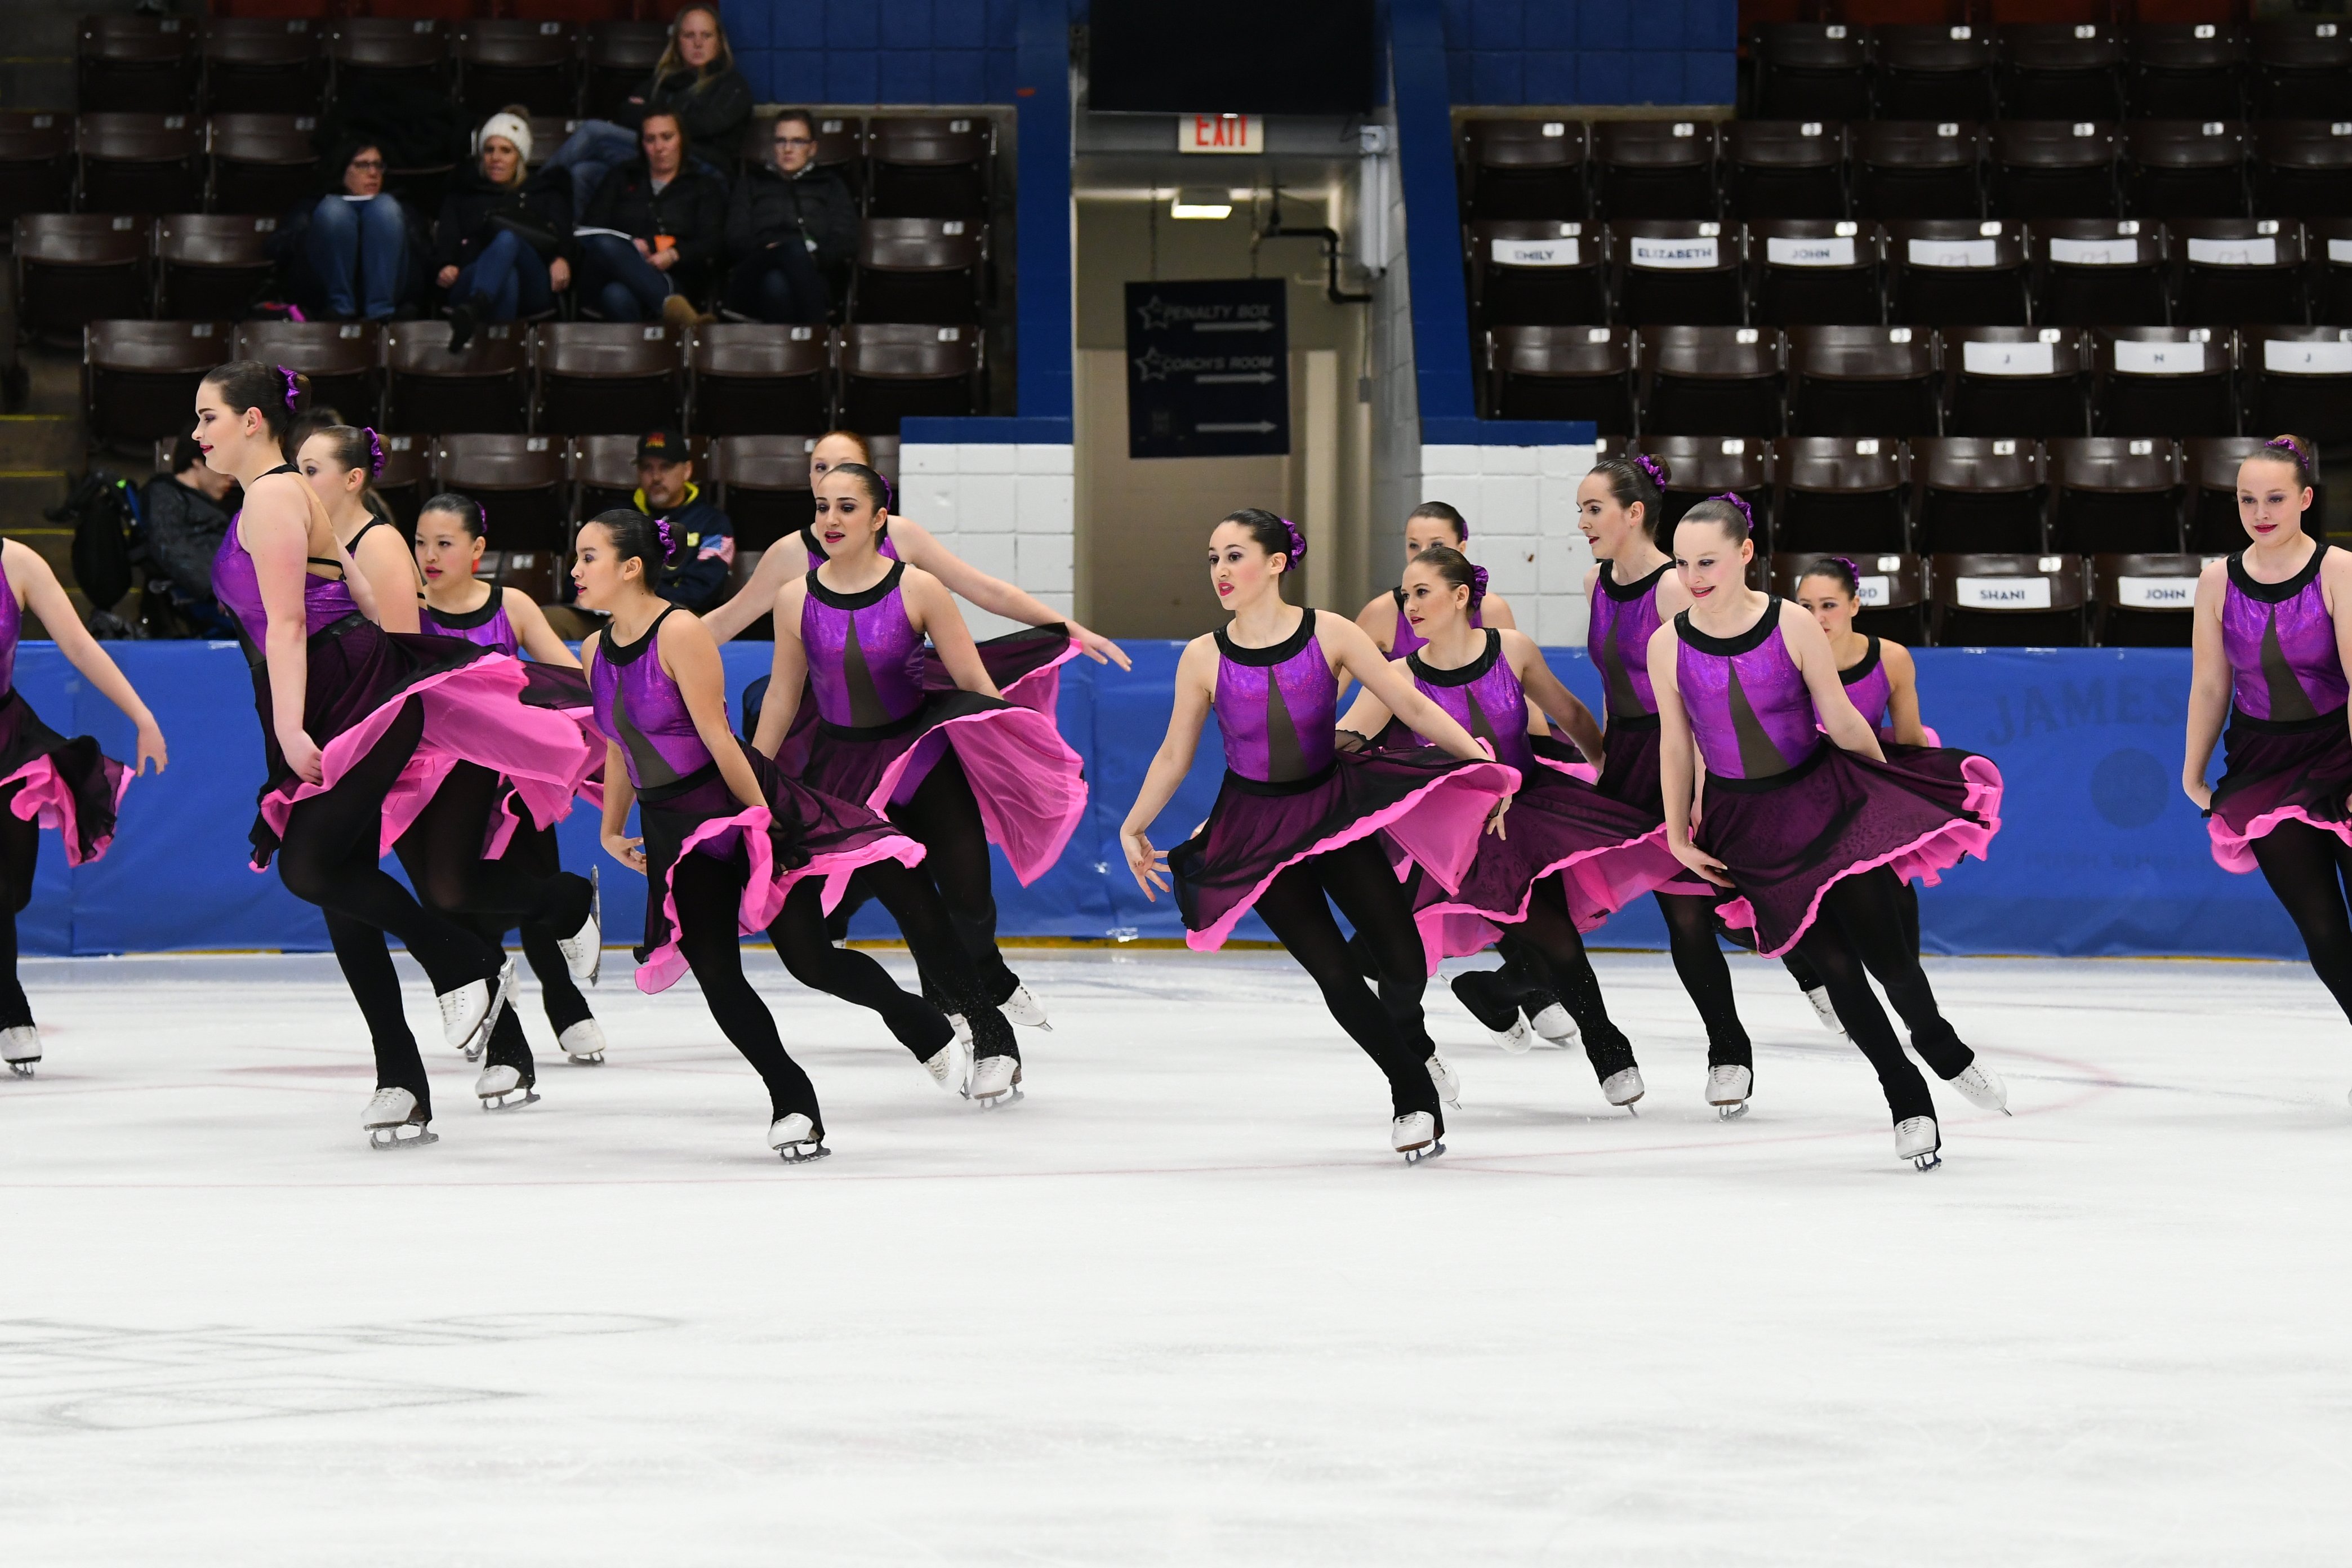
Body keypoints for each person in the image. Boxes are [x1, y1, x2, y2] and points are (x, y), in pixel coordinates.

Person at [197, 362, 596, 1150]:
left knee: (379, 883)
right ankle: (404, 1076)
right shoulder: (291, 504)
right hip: (326, 699)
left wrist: (298, 726)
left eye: (209, 416)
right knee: (340, 894)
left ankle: (481, 978)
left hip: (352, 705)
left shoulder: (291, 502)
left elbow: (333, 627)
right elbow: (352, 607)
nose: (198, 433)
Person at [577, 508, 1013, 1159]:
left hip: (737, 807)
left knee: (811, 961)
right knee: (717, 975)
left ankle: (915, 1020)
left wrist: (761, 818)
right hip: (672, 826)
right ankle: (792, 1100)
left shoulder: (680, 633)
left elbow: (722, 739)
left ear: (631, 567)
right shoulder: (594, 650)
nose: (576, 570)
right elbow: (618, 747)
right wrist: (612, 831)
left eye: (588, 557)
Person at [1118, 510, 1518, 1162]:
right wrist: (1135, 825)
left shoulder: (1328, 632)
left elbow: (1411, 703)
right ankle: (1411, 1093)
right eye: (1213, 558)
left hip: (1332, 811)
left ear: (1277, 563)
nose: (1220, 570)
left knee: (1401, 956)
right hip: (1258, 831)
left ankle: (1410, 1048)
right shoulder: (1203, 656)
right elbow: (1173, 755)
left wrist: (1479, 761)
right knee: (1335, 974)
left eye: (1235, 555)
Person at [1651, 495, 2009, 1170]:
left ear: (1745, 555)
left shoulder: (1791, 622)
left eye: (1708, 561)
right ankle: (1905, 1097)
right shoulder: (1666, 643)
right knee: (1836, 970)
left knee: (1889, 957)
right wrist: (1676, 833)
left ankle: (1938, 1041)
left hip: (1825, 802)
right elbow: (1678, 744)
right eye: (1683, 563)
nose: (1695, 576)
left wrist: (1888, 795)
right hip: (1746, 826)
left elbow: (1841, 718)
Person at [749, 464, 1088, 1098]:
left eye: (848, 508)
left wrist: (1021, 747)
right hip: (851, 783)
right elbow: (781, 695)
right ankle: (992, 1042)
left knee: (969, 906)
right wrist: (755, 783)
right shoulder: (796, 597)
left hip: (925, 765)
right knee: (920, 917)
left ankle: (989, 995)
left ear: (880, 519)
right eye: (823, 507)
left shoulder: (920, 588)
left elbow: (973, 686)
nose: (830, 520)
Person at [1335, 546, 1684, 1110]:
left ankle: (1526, 1007)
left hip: (1536, 812)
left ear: (1460, 596)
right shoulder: (1399, 677)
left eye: (1422, 592)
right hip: (1471, 839)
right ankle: (1604, 1043)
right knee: (1549, 936)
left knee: (1554, 937)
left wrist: (1603, 774)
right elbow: (1348, 736)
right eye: (1405, 595)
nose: (1410, 605)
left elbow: (1570, 714)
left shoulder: (1512, 650)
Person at [1577, 454, 1758, 1108]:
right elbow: (1606, 684)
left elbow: (1699, 695)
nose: (1583, 522)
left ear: (1633, 513)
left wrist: (1703, 794)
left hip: (1676, 753)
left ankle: (1730, 1051)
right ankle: (1527, 997)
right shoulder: (1599, 582)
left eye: (1593, 509)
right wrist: (1602, 760)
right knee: (1569, 895)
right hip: (1624, 754)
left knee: (1687, 913)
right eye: (1581, 509)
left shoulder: (1673, 589)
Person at [2185, 435, 2352, 1106]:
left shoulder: (2340, 569)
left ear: (2306, 500)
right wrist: (2193, 773)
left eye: (2276, 498)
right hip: (2262, 765)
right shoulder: (2217, 578)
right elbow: (2209, 684)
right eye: (2248, 499)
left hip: (2340, 751)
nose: (2261, 511)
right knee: (2322, 928)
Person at [417, 493, 609, 1070]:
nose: (429, 554)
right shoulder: (405, 607)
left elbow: (569, 682)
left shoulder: (512, 605)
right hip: (433, 786)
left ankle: (565, 1001)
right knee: (451, 903)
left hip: (510, 781)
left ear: (477, 549)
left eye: (444, 543)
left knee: (534, 889)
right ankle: (503, 1031)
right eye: (421, 542)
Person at [706, 429, 1131, 676]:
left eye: (844, 467)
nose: (830, 477)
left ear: (870, 478)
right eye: (820, 467)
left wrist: (1073, 628)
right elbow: (727, 621)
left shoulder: (902, 535)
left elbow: (986, 591)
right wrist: (648, 653)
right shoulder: (789, 553)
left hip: (905, 700)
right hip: (823, 715)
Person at [0, 538, 166, 1077]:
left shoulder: (16, 563)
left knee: (10, 890)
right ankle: (11, 1009)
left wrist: (142, 717)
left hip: (5, 739)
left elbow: (78, 644)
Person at [1778, 555, 1934, 1033]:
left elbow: (1909, 744)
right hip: (1794, 797)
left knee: (1897, 902)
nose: (1817, 617)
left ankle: (1915, 1007)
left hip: (1865, 794)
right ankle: (1814, 979)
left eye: (1828, 605)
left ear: (1855, 606)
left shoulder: (1891, 659)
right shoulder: (1779, 656)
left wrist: (1930, 811)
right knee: (1772, 906)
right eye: (1805, 606)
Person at [544, 5, 750, 216]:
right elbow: (626, 112)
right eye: (689, 35)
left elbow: (706, 125)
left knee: (592, 132)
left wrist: (651, 114)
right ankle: (587, 242)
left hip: (703, 170)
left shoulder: (732, 85)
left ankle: (531, 194)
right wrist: (672, 120)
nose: (698, 43)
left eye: (706, 36)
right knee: (584, 173)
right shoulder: (663, 81)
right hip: (653, 160)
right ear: (678, 41)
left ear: (719, 41)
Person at [431, 110, 574, 351]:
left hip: (534, 282)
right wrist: (446, 264)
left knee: (508, 239)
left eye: (505, 151)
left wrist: (563, 258)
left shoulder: (544, 192)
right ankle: (502, 360)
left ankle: (475, 310)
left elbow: (566, 235)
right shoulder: (464, 194)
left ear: (520, 157)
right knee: (507, 277)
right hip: (471, 275)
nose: (495, 158)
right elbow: (447, 238)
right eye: (489, 150)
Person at [575, 110, 727, 330]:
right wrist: (630, 246)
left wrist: (675, 254)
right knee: (606, 245)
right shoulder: (622, 176)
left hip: (677, 276)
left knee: (615, 296)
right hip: (618, 270)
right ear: (642, 144)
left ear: (682, 140)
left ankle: (646, 359)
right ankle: (684, 320)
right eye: (650, 139)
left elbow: (714, 241)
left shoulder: (702, 185)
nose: (659, 147)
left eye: (667, 137)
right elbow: (592, 230)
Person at [723, 110, 857, 325]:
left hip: (812, 274)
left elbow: (846, 240)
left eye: (797, 142)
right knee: (793, 250)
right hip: (753, 273)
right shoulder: (751, 183)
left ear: (812, 148)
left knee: (777, 284)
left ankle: (789, 354)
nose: (787, 149)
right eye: (781, 141)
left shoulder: (829, 185)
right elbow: (735, 238)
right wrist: (770, 250)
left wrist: (815, 258)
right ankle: (818, 333)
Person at [298, 141, 421, 323]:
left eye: (378, 166)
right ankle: (340, 310)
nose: (373, 173)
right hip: (326, 301)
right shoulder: (316, 204)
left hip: (393, 299)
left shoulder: (399, 205)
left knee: (384, 209)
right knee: (334, 211)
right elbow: (281, 244)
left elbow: (421, 252)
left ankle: (381, 314)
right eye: (363, 165)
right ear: (343, 169)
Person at [139, 434, 240, 638]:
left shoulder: (201, 503)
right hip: (216, 600)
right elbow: (171, 548)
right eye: (225, 465)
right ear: (198, 461)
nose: (232, 476)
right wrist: (221, 591)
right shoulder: (163, 495)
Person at [627, 430, 733, 613]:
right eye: (647, 468)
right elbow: (579, 571)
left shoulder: (712, 523)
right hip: (611, 611)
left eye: (666, 467)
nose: (656, 477)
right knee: (559, 621)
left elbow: (703, 590)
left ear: (687, 471)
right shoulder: (617, 518)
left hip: (680, 613)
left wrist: (643, 604)